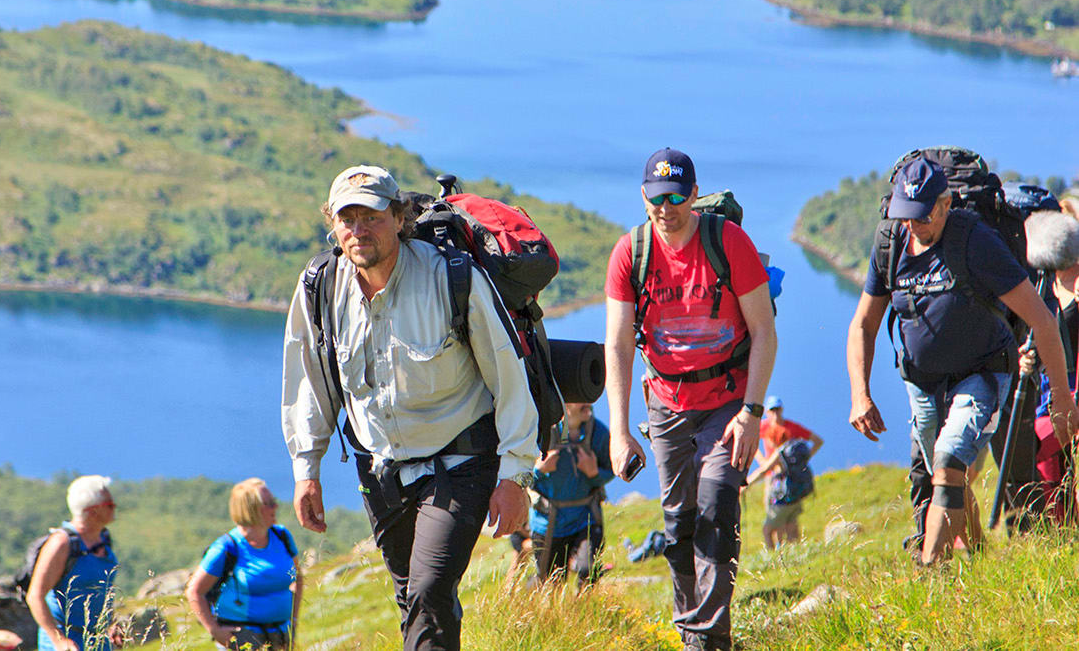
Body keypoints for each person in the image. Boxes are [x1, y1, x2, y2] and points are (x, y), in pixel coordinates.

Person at [282, 164, 540, 651]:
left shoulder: (449, 278)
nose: (359, 230)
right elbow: (308, 382)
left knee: (429, 589)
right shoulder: (321, 287)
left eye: (372, 217)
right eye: (347, 219)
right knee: (413, 599)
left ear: (399, 219)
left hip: (461, 460)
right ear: (333, 224)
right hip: (380, 470)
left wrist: (515, 475)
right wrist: (306, 469)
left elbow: (509, 377)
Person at [846, 158, 1079, 566]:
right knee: (945, 475)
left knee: (949, 463)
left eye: (923, 216)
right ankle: (980, 559)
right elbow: (863, 324)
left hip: (982, 374)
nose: (913, 226)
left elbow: (1042, 320)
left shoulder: (976, 242)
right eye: (905, 215)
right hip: (922, 381)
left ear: (945, 204)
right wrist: (860, 395)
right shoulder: (890, 242)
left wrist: (1060, 396)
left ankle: (929, 572)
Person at [603, 148, 776, 651]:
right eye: (657, 199)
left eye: (677, 197)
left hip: (728, 400)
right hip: (666, 402)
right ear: (643, 197)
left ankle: (710, 638)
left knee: (717, 503)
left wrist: (752, 413)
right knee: (678, 520)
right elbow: (617, 344)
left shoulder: (728, 243)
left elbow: (764, 332)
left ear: (694, 194)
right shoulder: (630, 253)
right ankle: (689, 629)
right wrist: (619, 430)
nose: (666, 208)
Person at [185, 478, 302, 650]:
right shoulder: (226, 547)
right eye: (269, 503)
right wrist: (215, 631)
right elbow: (194, 591)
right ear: (251, 510)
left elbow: (298, 578)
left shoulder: (282, 536)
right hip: (242, 639)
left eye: (274, 501)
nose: (276, 507)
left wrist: (294, 621)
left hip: (281, 636)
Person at [1021, 210, 1079, 524]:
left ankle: (1062, 524)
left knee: (1043, 444)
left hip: (1071, 391)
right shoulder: (1041, 284)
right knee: (1035, 445)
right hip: (1048, 393)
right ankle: (1060, 526)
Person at [26, 475, 122, 651]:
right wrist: (59, 640)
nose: (114, 507)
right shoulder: (61, 544)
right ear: (92, 511)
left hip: (98, 640)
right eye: (109, 505)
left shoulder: (103, 538)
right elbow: (35, 596)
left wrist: (111, 624)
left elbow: (103, 590)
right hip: (67, 642)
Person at [527, 402, 613, 588]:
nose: (588, 403)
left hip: (586, 519)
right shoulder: (541, 432)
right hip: (548, 524)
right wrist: (539, 471)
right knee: (550, 584)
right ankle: (531, 595)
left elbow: (612, 470)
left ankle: (587, 605)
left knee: (588, 571)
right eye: (581, 399)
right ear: (565, 403)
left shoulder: (597, 432)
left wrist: (595, 473)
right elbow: (518, 479)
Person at [746, 395, 822, 549]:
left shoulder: (790, 429)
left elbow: (817, 441)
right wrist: (761, 459)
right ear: (767, 412)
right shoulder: (764, 427)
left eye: (777, 409)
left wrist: (799, 461)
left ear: (781, 409)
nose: (775, 413)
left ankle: (782, 553)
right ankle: (791, 551)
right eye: (772, 410)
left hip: (784, 478)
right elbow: (751, 441)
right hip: (777, 477)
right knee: (785, 518)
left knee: (779, 519)